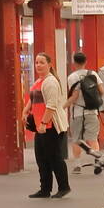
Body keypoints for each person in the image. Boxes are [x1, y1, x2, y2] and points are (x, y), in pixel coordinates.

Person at [22, 51, 70, 199]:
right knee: (41, 159)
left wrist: (44, 123)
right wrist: (25, 111)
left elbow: (52, 105)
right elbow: (32, 99)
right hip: (40, 126)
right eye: (36, 62)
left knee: (55, 158)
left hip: (51, 126)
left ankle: (63, 187)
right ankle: (45, 189)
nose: (38, 65)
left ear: (49, 65)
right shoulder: (38, 82)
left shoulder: (50, 82)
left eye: (42, 62)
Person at [65, 50, 104, 170]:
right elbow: (102, 92)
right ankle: (97, 162)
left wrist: (63, 107)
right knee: (92, 138)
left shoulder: (72, 77)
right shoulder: (93, 74)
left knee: (77, 139)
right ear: (85, 62)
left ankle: (77, 165)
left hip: (77, 112)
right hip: (92, 111)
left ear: (74, 62)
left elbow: (74, 96)